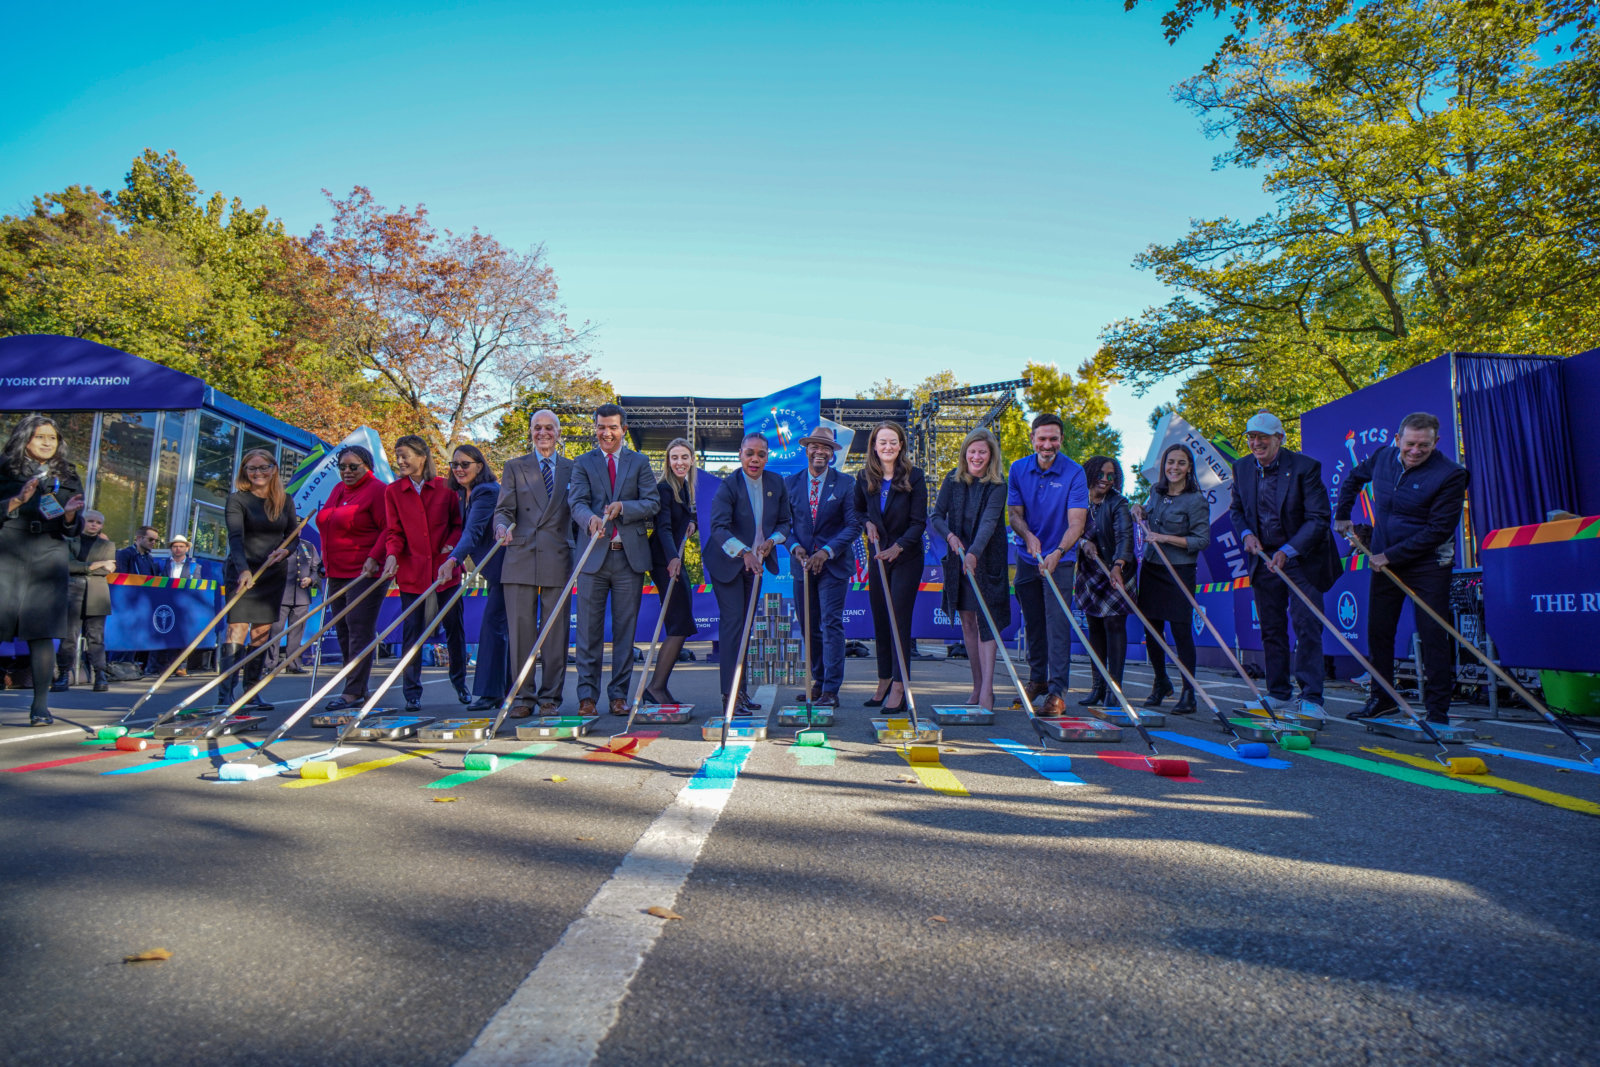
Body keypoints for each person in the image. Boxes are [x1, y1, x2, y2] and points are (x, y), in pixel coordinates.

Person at [1336, 411, 1470, 725]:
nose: (1415, 451)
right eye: (1410, 444)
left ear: (1436, 442)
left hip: (1429, 564)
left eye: (1424, 445)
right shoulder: (1383, 457)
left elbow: (1438, 530)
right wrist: (1342, 513)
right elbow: (1354, 478)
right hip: (1385, 562)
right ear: (1397, 440)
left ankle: (1437, 712)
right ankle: (1382, 700)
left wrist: (1390, 555)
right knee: (1379, 632)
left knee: (1433, 635)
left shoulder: (1452, 475)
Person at [1229, 410, 1342, 719]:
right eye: (1251, 437)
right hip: (1263, 559)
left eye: (1263, 437)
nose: (1256, 443)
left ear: (1279, 438)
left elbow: (1318, 518)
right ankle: (1278, 694)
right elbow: (1237, 510)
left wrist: (1288, 551)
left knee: (1307, 625)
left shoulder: (1306, 467)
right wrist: (1247, 534)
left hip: (1303, 559)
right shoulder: (1241, 468)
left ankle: (1311, 698)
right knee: (1271, 628)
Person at [567, 403, 659, 716]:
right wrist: (590, 519)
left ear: (624, 430)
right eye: (601, 427)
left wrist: (625, 507)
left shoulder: (640, 462)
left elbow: (652, 502)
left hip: (628, 560)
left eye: (613, 427)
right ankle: (587, 697)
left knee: (625, 632)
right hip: (592, 559)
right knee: (587, 632)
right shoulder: (583, 463)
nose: (606, 433)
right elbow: (576, 502)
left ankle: (619, 696)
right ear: (595, 428)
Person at [0, 415, 87, 724]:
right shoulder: (4, 468)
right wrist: (17, 500)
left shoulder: (68, 473)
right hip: (8, 549)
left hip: (48, 554)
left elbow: (72, 528)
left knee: (41, 632)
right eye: (40, 437)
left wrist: (69, 516)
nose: (48, 442)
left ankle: (40, 706)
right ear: (25, 439)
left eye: (52, 437)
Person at [494, 410, 577, 716]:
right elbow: (504, 509)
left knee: (555, 632)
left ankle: (550, 698)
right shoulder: (514, 467)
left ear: (558, 433)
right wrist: (501, 527)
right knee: (521, 632)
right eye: (537, 427)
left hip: (558, 555)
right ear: (530, 432)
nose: (543, 433)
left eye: (549, 428)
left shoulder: (573, 468)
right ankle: (522, 697)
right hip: (521, 555)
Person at [1007, 413, 1089, 714]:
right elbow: (1014, 514)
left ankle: (1057, 692)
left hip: (1060, 559)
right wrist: (1028, 536)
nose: (1047, 444)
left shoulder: (1075, 473)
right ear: (1032, 439)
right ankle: (1038, 679)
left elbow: (1077, 523)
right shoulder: (1017, 469)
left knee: (1057, 624)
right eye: (1041, 438)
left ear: (1061, 440)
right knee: (1033, 623)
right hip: (1028, 557)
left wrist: (1058, 552)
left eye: (1053, 439)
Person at [707, 433, 793, 711]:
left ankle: (741, 692)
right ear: (740, 454)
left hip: (755, 565)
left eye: (761, 454)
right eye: (749, 453)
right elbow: (718, 527)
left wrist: (772, 541)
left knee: (746, 628)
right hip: (728, 563)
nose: (755, 459)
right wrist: (744, 552)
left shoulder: (776, 483)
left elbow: (785, 523)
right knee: (733, 626)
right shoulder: (729, 485)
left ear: (768, 457)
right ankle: (729, 697)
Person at [381, 435, 466, 713]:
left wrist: (451, 548)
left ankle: (460, 683)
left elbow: (458, 525)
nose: (400, 461)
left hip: (445, 568)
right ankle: (411, 692)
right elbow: (394, 531)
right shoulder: (393, 492)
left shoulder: (446, 487)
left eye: (405, 455)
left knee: (454, 627)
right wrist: (392, 554)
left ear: (422, 457)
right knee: (412, 631)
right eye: (398, 456)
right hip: (412, 571)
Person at [930, 428, 1010, 711]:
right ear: (965, 453)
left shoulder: (998, 485)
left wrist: (974, 553)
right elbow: (937, 516)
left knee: (987, 622)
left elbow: (989, 522)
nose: (977, 457)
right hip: (958, 559)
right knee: (967, 622)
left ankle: (988, 691)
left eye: (982, 452)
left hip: (987, 562)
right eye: (972, 451)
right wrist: (951, 537)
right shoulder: (952, 480)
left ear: (991, 456)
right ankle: (976, 686)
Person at [783, 426, 861, 709]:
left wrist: (826, 552)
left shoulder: (846, 483)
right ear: (806, 450)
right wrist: (795, 547)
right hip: (802, 565)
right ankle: (817, 681)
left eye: (826, 448)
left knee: (831, 624)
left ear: (832, 454)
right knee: (809, 625)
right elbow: (783, 525)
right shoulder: (790, 484)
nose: (820, 452)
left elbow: (854, 525)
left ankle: (831, 688)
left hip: (833, 565)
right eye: (815, 446)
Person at [853, 422, 927, 713]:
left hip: (906, 557)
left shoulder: (914, 476)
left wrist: (898, 547)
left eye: (893, 442)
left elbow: (919, 522)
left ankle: (900, 685)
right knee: (881, 619)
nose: (888, 447)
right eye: (882, 442)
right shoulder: (864, 477)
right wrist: (867, 524)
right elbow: (858, 510)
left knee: (898, 620)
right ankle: (884, 679)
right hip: (878, 556)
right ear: (874, 445)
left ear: (901, 445)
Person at [1133, 444, 1211, 713]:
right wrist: (1139, 510)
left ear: (1189, 468)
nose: (1174, 467)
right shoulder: (1156, 491)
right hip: (1152, 567)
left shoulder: (1196, 500)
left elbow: (1201, 540)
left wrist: (1165, 538)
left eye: (1181, 463)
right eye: (1170, 462)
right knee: (1151, 628)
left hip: (1179, 570)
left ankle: (1189, 692)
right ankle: (1161, 682)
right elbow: (1148, 511)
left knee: (1180, 630)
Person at [221, 449, 299, 711]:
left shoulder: (285, 500)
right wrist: (243, 570)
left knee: (261, 633)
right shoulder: (237, 500)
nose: (258, 473)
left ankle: (251, 692)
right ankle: (224, 694)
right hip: (242, 572)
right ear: (245, 472)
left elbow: (293, 536)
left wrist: (285, 551)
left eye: (263, 467)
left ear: (274, 469)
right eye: (252, 468)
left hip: (272, 573)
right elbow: (235, 538)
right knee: (237, 629)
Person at [315, 445, 390, 711]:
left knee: (358, 627)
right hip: (336, 570)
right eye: (342, 467)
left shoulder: (377, 490)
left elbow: (388, 528)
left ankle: (353, 691)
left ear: (367, 466)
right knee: (344, 630)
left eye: (353, 467)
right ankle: (355, 684)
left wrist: (375, 556)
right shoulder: (338, 490)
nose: (347, 471)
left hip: (365, 571)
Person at [441, 443, 507, 712]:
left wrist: (453, 559)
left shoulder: (486, 491)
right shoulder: (461, 495)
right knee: (499, 628)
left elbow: (474, 531)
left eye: (465, 464)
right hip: (493, 570)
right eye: (454, 464)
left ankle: (492, 693)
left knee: (493, 627)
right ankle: (503, 691)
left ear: (480, 466)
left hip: (505, 568)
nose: (458, 469)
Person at [1074, 456, 1136, 706]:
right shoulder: (1078, 500)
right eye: (1101, 474)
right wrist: (1083, 543)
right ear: (1090, 473)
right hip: (1089, 573)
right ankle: (1098, 687)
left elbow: (1124, 537)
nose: (1106, 480)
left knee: (1114, 624)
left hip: (1115, 570)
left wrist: (1119, 564)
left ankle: (1114, 689)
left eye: (1111, 476)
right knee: (1095, 627)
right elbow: (1069, 529)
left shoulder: (1119, 503)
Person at [644, 438, 702, 704]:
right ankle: (655, 687)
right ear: (668, 461)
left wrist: (692, 523)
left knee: (682, 623)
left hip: (673, 559)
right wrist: (672, 559)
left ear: (691, 460)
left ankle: (660, 687)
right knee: (679, 624)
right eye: (674, 457)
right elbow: (664, 527)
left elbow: (685, 517)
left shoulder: (684, 488)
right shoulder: (665, 488)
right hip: (664, 561)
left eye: (684, 457)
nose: (679, 462)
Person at [59, 509, 115, 693]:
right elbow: (68, 565)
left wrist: (83, 567)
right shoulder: (69, 541)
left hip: (97, 594)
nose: (94, 525)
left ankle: (100, 675)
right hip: (72, 593)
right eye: (91, 521)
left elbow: (108, 570)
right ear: (83, 522)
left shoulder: (108, 545)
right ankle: (63, 674)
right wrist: (96, 565)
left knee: (96, 638)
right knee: (68, 637)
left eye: (98, 522)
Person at [150, 533, 201, 678]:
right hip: (165, 605)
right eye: (175, 546)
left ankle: (181, 666)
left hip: (184, 606)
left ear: (186, 548)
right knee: (163, 634)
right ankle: (162, 666)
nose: (178, 549)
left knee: (183, 635)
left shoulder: (195, 567)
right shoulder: (161, 565)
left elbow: (197, 587)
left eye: (181, 546)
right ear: (171, 548)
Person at [271, 539, 323, 673]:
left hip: (301, 597)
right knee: (275, 630)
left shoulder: (308, 546)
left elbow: (317, 568)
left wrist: (311, 579)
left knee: (297, 632)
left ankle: (293, 664)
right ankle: (270, 664)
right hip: (281, 595)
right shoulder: (278, 544)